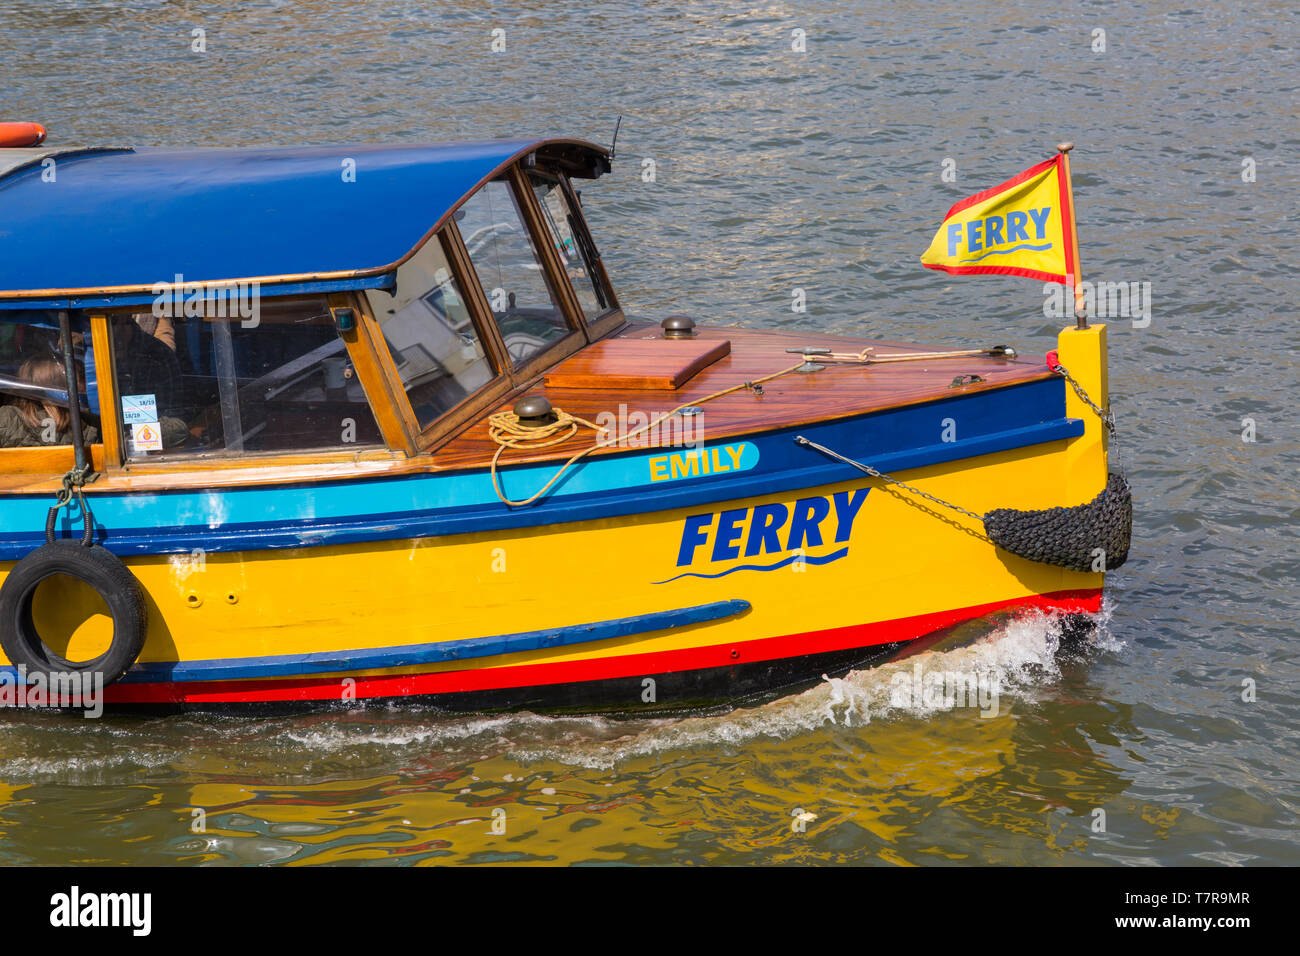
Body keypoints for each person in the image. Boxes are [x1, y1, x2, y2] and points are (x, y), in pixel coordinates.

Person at [0, 356, 99, 447]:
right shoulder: (90, 423)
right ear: (63, 385)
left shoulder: (6, 418)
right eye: (79, 378)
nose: (83, 384)